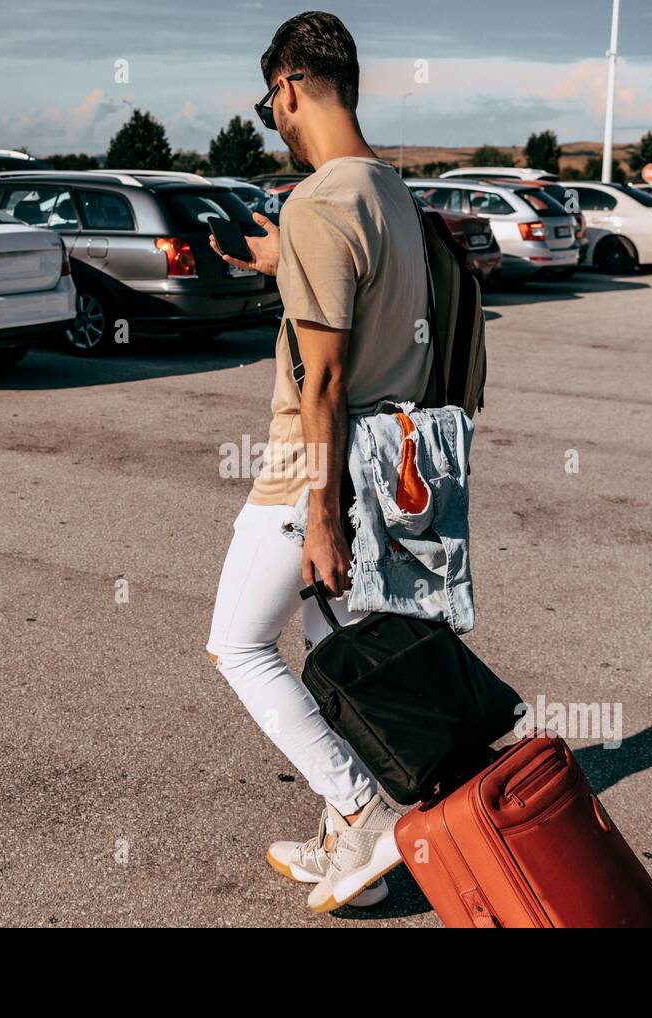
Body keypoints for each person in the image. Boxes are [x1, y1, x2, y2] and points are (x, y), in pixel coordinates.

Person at [205, 10, 432, 913]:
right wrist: (281, 266)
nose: (280, 125)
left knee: (238, 646)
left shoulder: (319, 202)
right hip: (389, 464)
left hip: (312, 473)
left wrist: (321, 511)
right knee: (328, 645)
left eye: (272, 109)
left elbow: (327, 378)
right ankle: (350, 855)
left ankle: (361, 809)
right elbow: (366, 314)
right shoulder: (391, 194)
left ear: (289, 86)